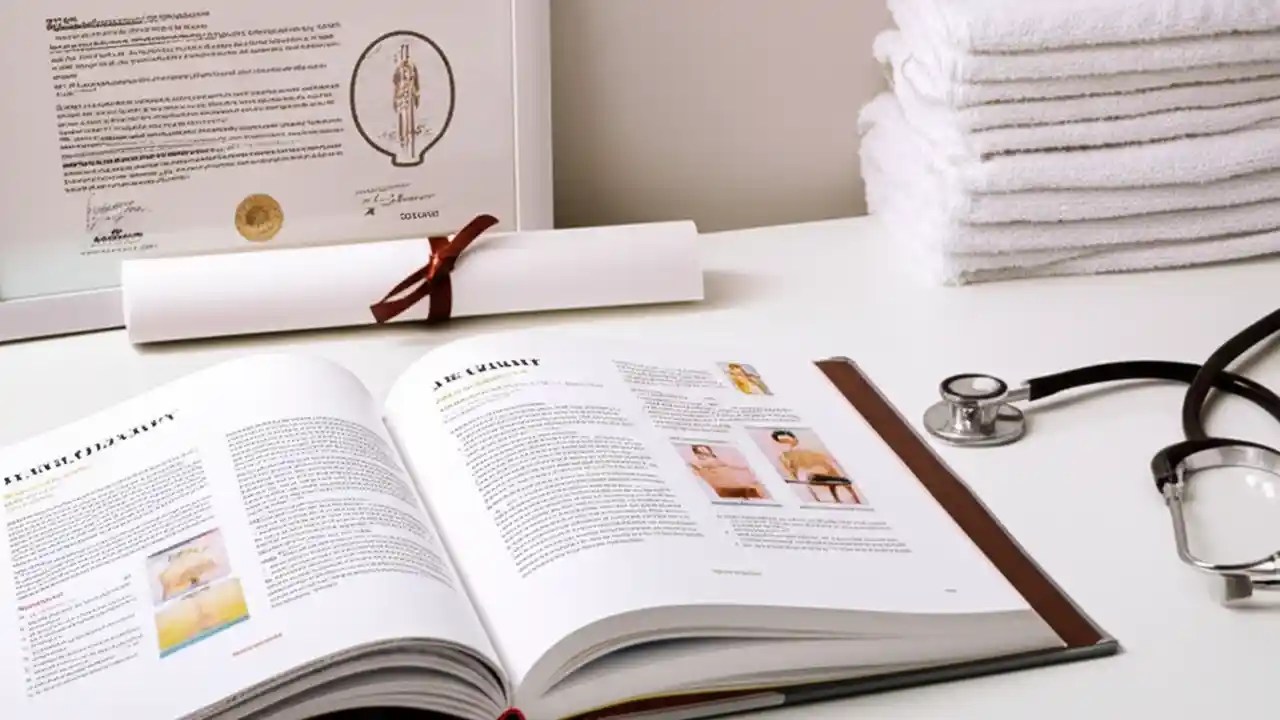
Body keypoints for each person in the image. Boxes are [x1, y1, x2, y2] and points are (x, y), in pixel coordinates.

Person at [770, 430, 862, 504]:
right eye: (785, 441)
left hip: (816, 474)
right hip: (809, 476)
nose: (789, 443)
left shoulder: (806, 453)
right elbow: (792, 469)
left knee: (836, 476)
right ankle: (842, 497)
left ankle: (844, 498)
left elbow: (825, 463)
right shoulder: (786, 455)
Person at [687, 444, 770, 501]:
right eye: (701, 453)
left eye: (708, 454)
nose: (705, 456)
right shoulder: (699, 464)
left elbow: (731, 466)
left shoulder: (717, 462)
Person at [392, 43, 421, 161]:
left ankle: (407, 140)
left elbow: (415, 86)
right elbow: (396, 83)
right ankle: (403, 141)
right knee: (402, 119)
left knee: (408, 119)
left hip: (408, 100)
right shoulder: (400, 72)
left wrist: (414, 92)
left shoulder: (411, 69)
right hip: (402, 99)